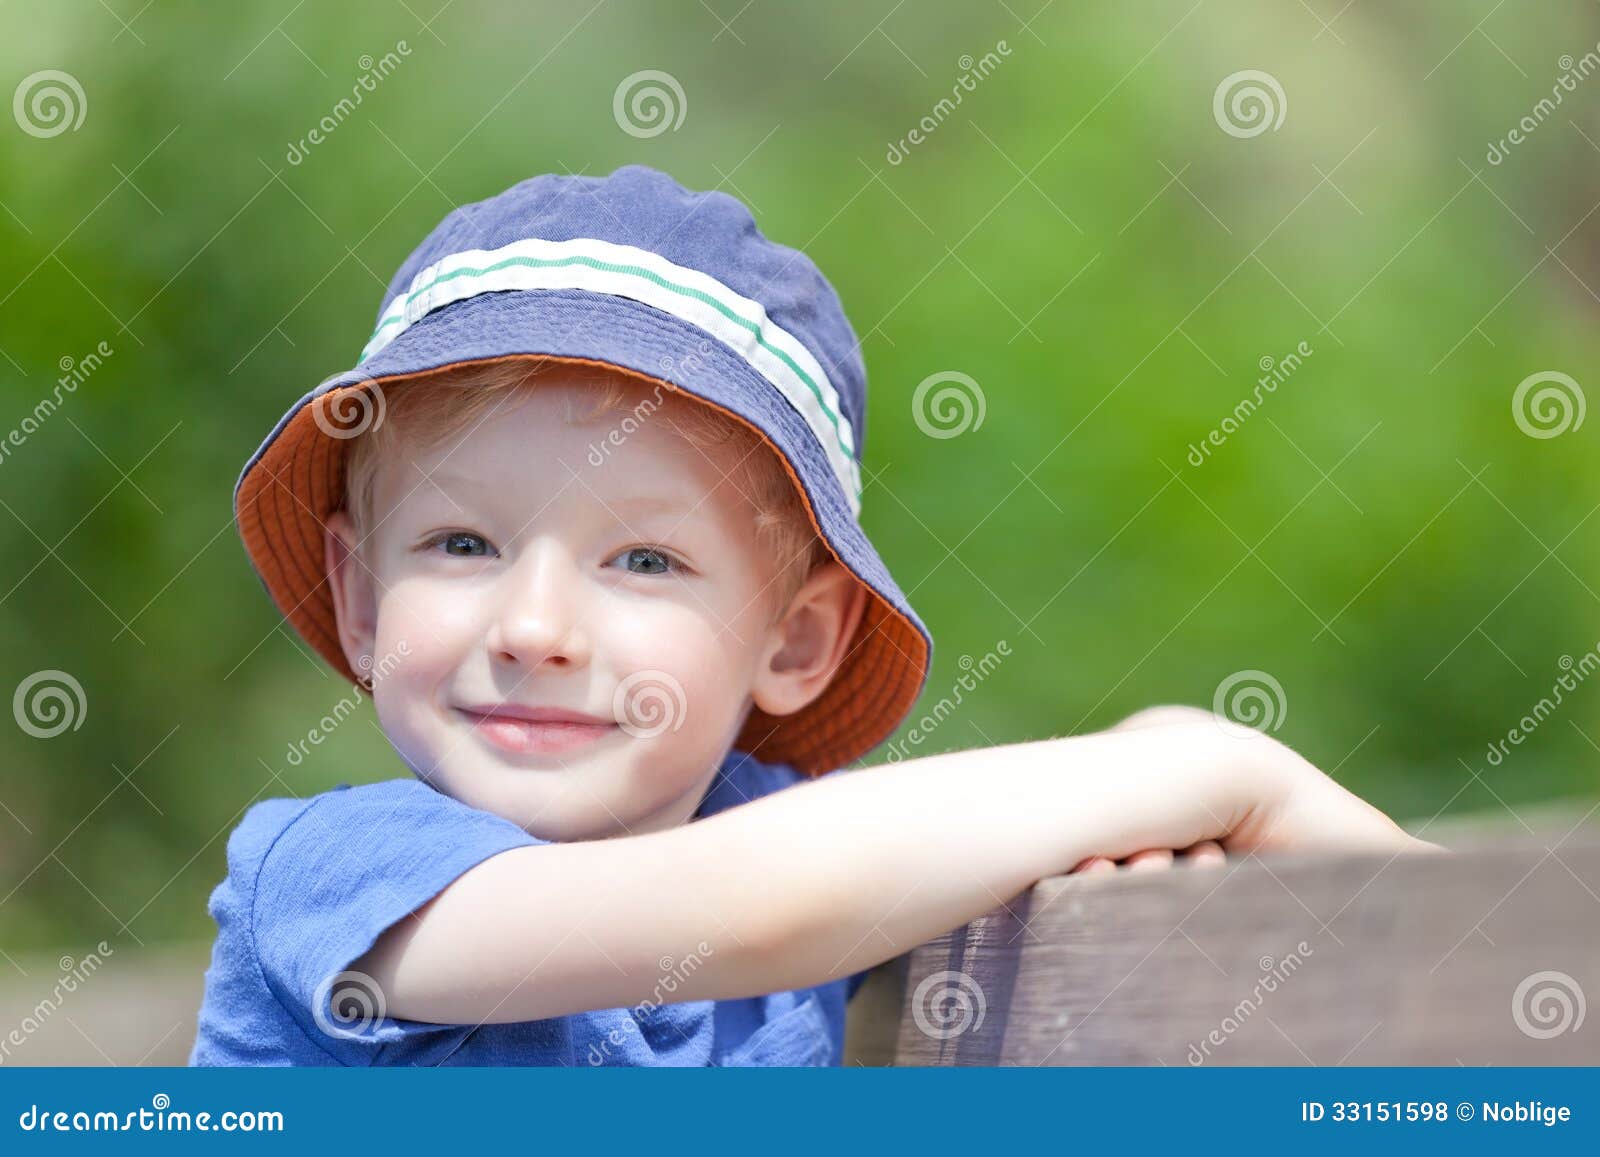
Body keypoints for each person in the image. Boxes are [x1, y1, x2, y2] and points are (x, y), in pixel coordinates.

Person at [191, 164, 1434, 1066]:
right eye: (462, 543)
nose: (534, 624)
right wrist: (1209, 770)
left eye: (642, 559)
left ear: (791, 640)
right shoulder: (334, 880)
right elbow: (742, 909)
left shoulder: (780, 836)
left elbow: (861, 858)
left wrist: (1189, 762)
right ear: (360, 600)